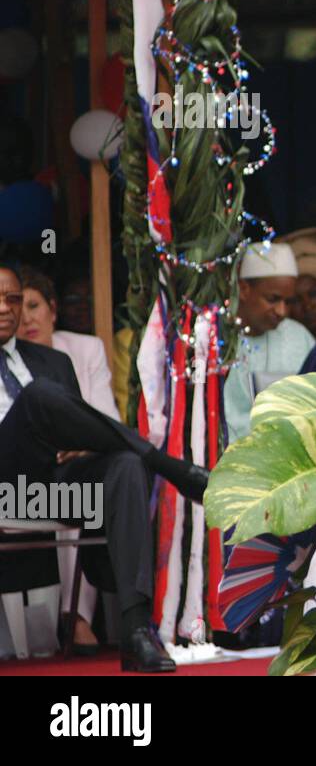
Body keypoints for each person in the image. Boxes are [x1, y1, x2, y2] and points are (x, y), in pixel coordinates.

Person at [0, 265, 208, 671]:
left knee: (124, 464)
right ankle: (168, 466)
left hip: (48, 494)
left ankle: (134, 630)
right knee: (39, 396)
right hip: (5, 484)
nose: (9, 309)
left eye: (12, 298)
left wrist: (84, 448)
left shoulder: (52, 360)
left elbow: (79, 431)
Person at [16, 265, 119, 653]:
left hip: (79, 463)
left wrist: (85, 442)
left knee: (97, 485)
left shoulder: (84, 349)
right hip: (26, 475)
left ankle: (79, 617)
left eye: (34, 305)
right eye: (16, 306)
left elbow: (107, 420)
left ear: (53, 310)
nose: (26, 317)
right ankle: (64, 619)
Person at [225, 244, 316, 444]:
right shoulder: (218, 336)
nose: (282, 311)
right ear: (244, 289)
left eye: (288, 301)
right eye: (273, 299)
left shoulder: (299, 337)